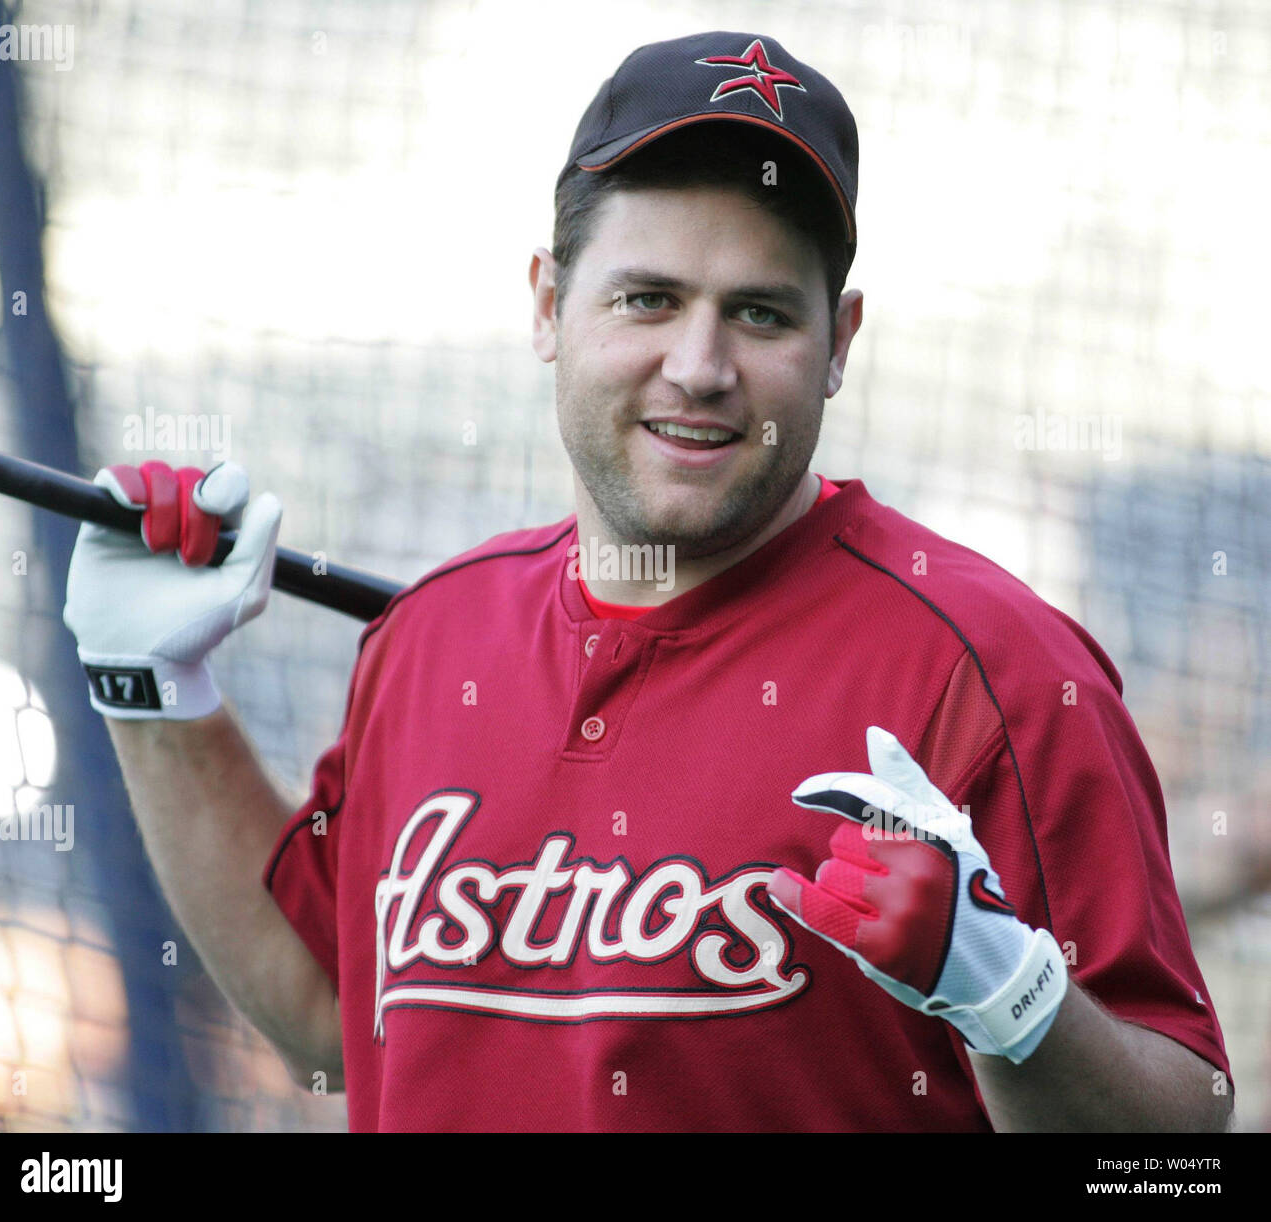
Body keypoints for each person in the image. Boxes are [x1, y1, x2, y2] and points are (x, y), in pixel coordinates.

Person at [63, 31, 1232, 1132]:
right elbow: (335, 1021)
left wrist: (1007, 996)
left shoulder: (994, 669)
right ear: (546, 305)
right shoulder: (431, 635)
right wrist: (151, 696)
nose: (700, 366)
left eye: (761, 313)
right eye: (647, 298)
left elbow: (1173, 1141)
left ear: (839, 345)